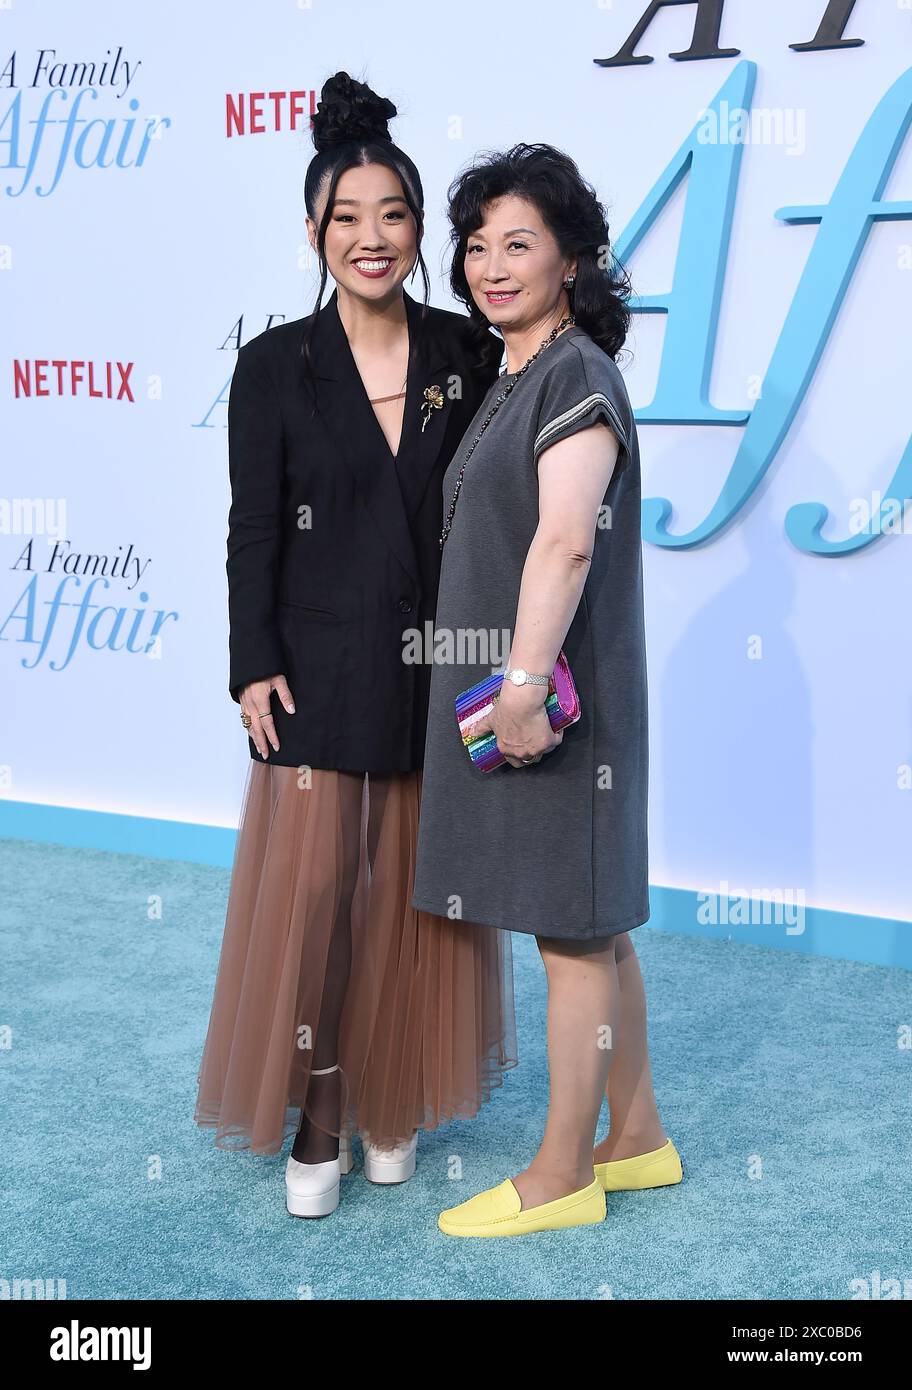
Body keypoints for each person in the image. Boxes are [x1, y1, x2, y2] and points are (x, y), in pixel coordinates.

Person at [193, 72, 517, 1220]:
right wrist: (251, 662)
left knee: (412, 897)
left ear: (423, 229)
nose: (370, 238)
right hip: (317, 668)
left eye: (392, 215)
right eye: (346, 218)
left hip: (437, 663)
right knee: (324, 889)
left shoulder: (465, 353)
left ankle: (392, 1102)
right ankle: (323, 1103)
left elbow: (502, 517)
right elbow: (250, 529)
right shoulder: (274, 365)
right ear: (314, 231)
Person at [411, 143, 682, 1238]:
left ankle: (564, 1172)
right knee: (595, 924)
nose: (489, 264)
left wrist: (521, 686)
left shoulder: (572, 374)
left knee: (573, 933)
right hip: (541, 689)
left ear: (572, 257)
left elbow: (566, 542)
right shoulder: (520, 370)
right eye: (475, 244)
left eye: (518, 243)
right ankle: (639, 1135)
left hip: (559, 698)